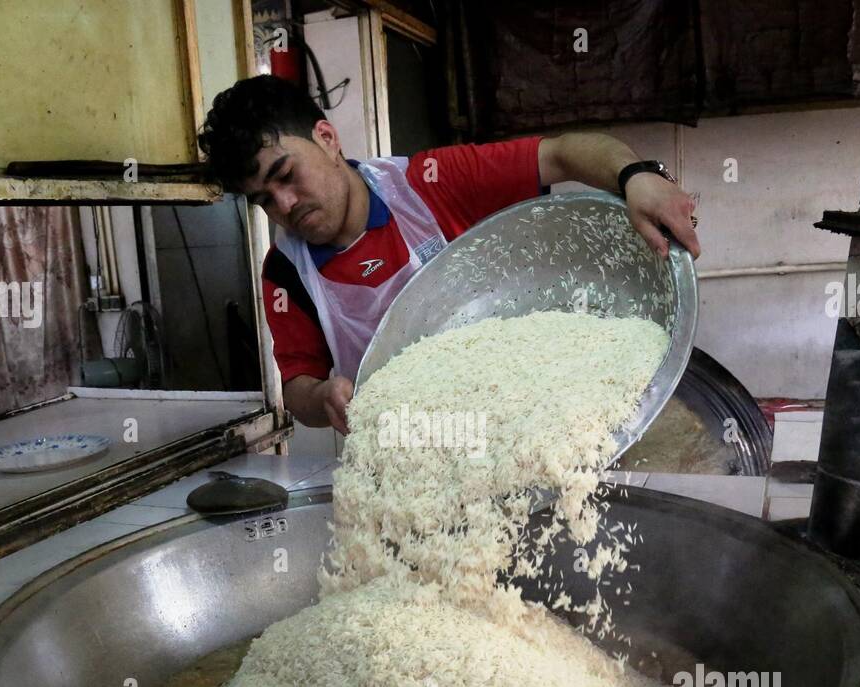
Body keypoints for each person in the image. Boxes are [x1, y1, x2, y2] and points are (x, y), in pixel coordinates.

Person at [198, 75, 701, 435]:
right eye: (263, 199)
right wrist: (323, 397)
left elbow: (564, 151)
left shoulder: (430, 184)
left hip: (515, 426)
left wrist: (636, 177)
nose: (283, 205)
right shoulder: (286, 272)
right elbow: (297, 387)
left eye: (286, 176)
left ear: (327, 139)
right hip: (407, 453)